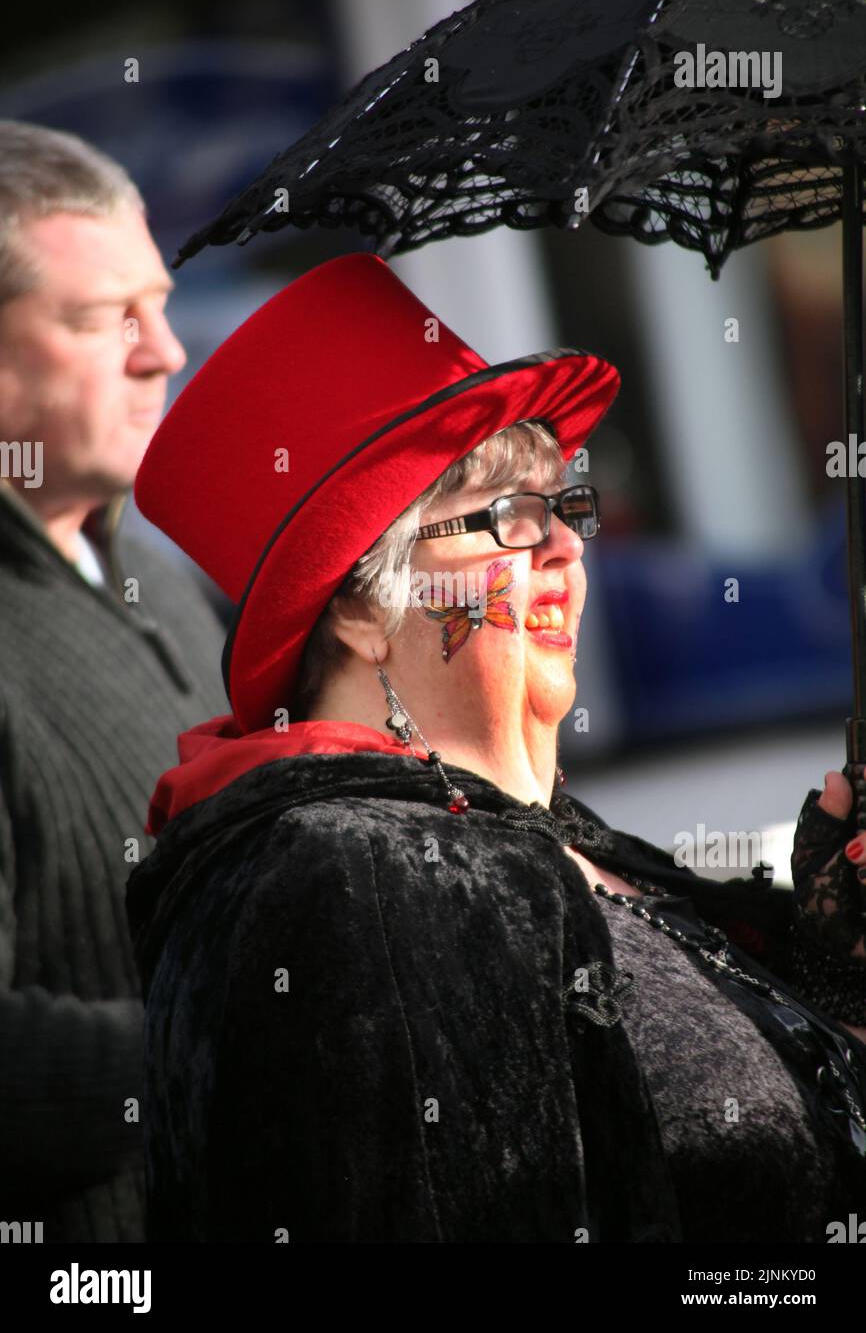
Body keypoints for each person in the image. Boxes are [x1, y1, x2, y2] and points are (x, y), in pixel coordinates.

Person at [126, 251, 866, 1243]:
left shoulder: (542, 841)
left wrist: (831, 953)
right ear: (359, 603)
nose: (563, 544)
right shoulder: (350, 874)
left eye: (563, 506)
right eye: (509, 518)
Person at [0, 121, 227, 1242]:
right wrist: (259, 1052)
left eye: (161, 303)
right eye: (103, 320)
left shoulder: (162, 577)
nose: (165, 352)